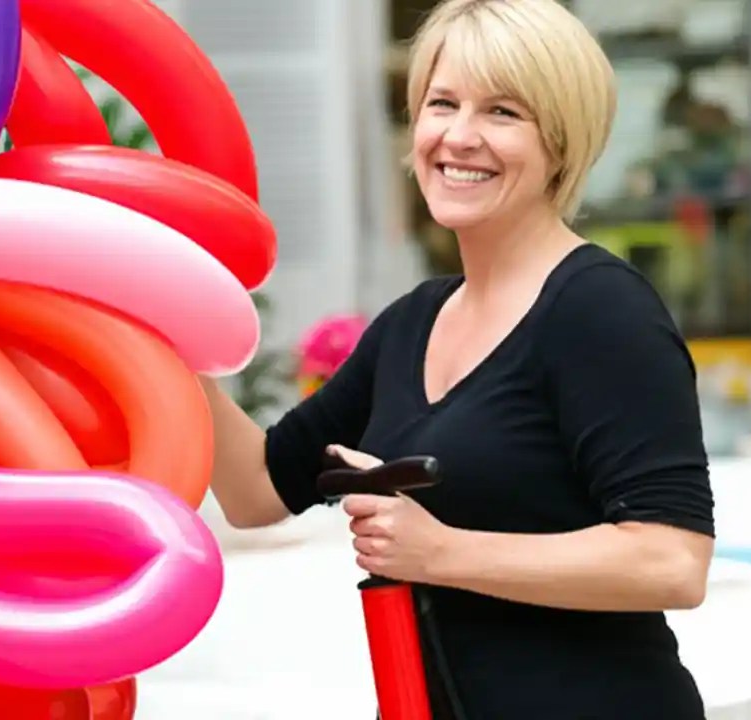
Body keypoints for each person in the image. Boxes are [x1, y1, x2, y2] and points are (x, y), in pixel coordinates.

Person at [198, 0, 716, 717]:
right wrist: (156, 332)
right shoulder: (412, 324)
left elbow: (671, 561)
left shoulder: (600, 311)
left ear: (561, 143)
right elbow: (255, 491)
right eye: (443, 103)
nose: (460, 136)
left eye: (503, 112)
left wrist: (441, 553)